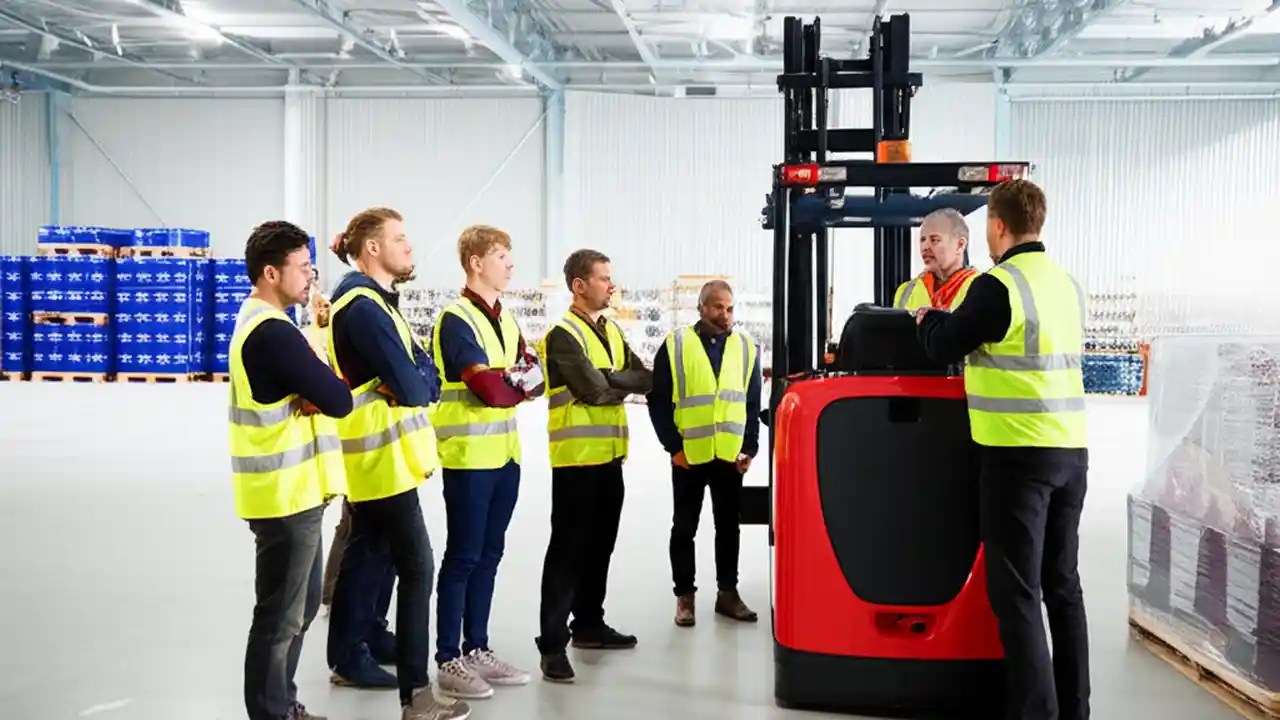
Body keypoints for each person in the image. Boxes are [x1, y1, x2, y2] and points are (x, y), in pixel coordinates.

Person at [915, 179, 1090, 720]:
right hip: (1070, 450)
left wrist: (927, 320)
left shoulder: (999, 286)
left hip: (1017, 455)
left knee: (1016, 595)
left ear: (997, 225)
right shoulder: (1065, 284)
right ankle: (1074, 710)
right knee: (1063, 586)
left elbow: (945, 344)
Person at [325, 207, 470, 720]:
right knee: (417, 565)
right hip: (380, 457)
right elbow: (414, 385)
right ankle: (416, 695)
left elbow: (425, 373)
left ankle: (349, 654)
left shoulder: (377, 301)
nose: (410, 247)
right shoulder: (363, 307)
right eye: (400, 239)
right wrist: (418, 380)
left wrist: (419, 379)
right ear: (372, 248)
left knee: (368, 553)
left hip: (385, 456)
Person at [230, 221, 353, 720]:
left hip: (296, 491)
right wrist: (320, 384)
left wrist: (318, 380)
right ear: (270, 273)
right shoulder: (273, 333)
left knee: (297, 611)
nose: (310, 278)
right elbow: (339, 398)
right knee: (279, 616)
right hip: (283, 496)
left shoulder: (268, 323)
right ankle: (270, 712)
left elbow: (325, 392)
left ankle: (283, 704)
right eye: (302, 268)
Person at [430, 224, 543, 699]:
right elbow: (491, 390)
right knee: (463, 556)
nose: (510, 264)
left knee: (490, 554)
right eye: (501, 255)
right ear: (476, 263)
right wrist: (512, 382)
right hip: (469, 455)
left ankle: (476, 646)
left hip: (506, 455)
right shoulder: (456, 319)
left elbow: (535, 380)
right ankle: (448, 658)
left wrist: (511, 381)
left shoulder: (507, 320)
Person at [534, 249, 652, 684]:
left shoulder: (611, 331)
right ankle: (552, 645)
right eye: (603, 278)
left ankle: (588, 624)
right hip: (576, 461)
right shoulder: (563, 335)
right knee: (567, 553)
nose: (611, 285)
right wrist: (613, 380)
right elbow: (593, 392)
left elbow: (646, 378)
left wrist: (610, 377)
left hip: (609, 458)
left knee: (601, 545)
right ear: (579, 286)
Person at [647, 280, 761, 627]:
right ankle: (685, 597)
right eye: (717, 307)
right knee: (684, 528)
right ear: (701, 307)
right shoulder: (676, 345)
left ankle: (728, 594)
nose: (725, 315)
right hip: (689, 455)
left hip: (729, 455)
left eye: (729, 308)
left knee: (728, 528)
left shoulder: (746, 347)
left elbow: (752, 402)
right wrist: (673, 447)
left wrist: (749, 447)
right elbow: (658, 400)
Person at [894, 208, 979, 311]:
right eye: (922, 240)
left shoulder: (984, 289)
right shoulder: (905, 292)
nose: (925, 247)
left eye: (934, 240)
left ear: (960, 245)